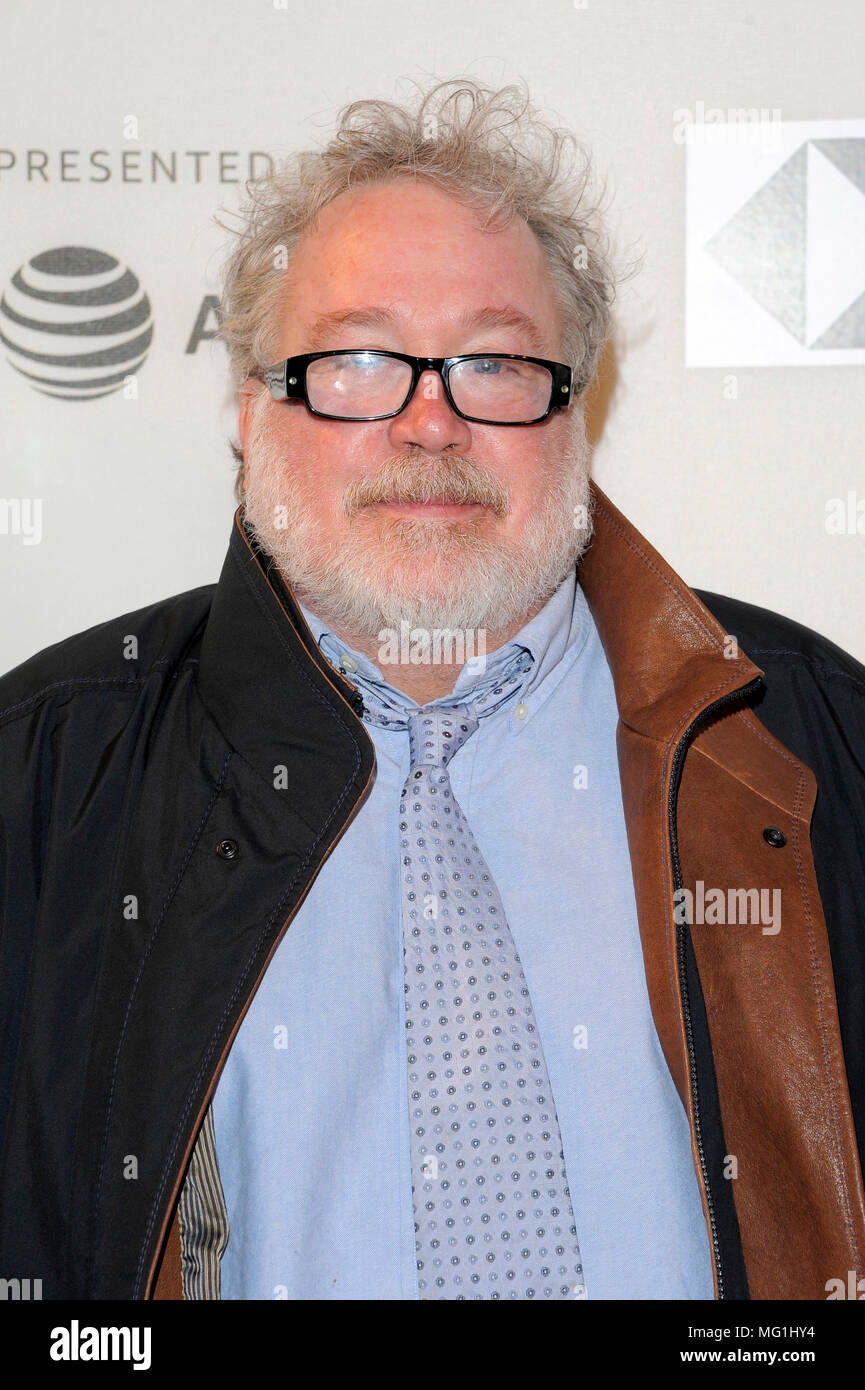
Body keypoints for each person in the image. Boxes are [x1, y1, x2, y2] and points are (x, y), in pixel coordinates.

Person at [1, 77, 863, 1303]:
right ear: (251, 410)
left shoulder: (814, 741)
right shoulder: (46, 779)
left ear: (577, 408)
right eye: (356, 360)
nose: (428, 423)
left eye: (494, 365)